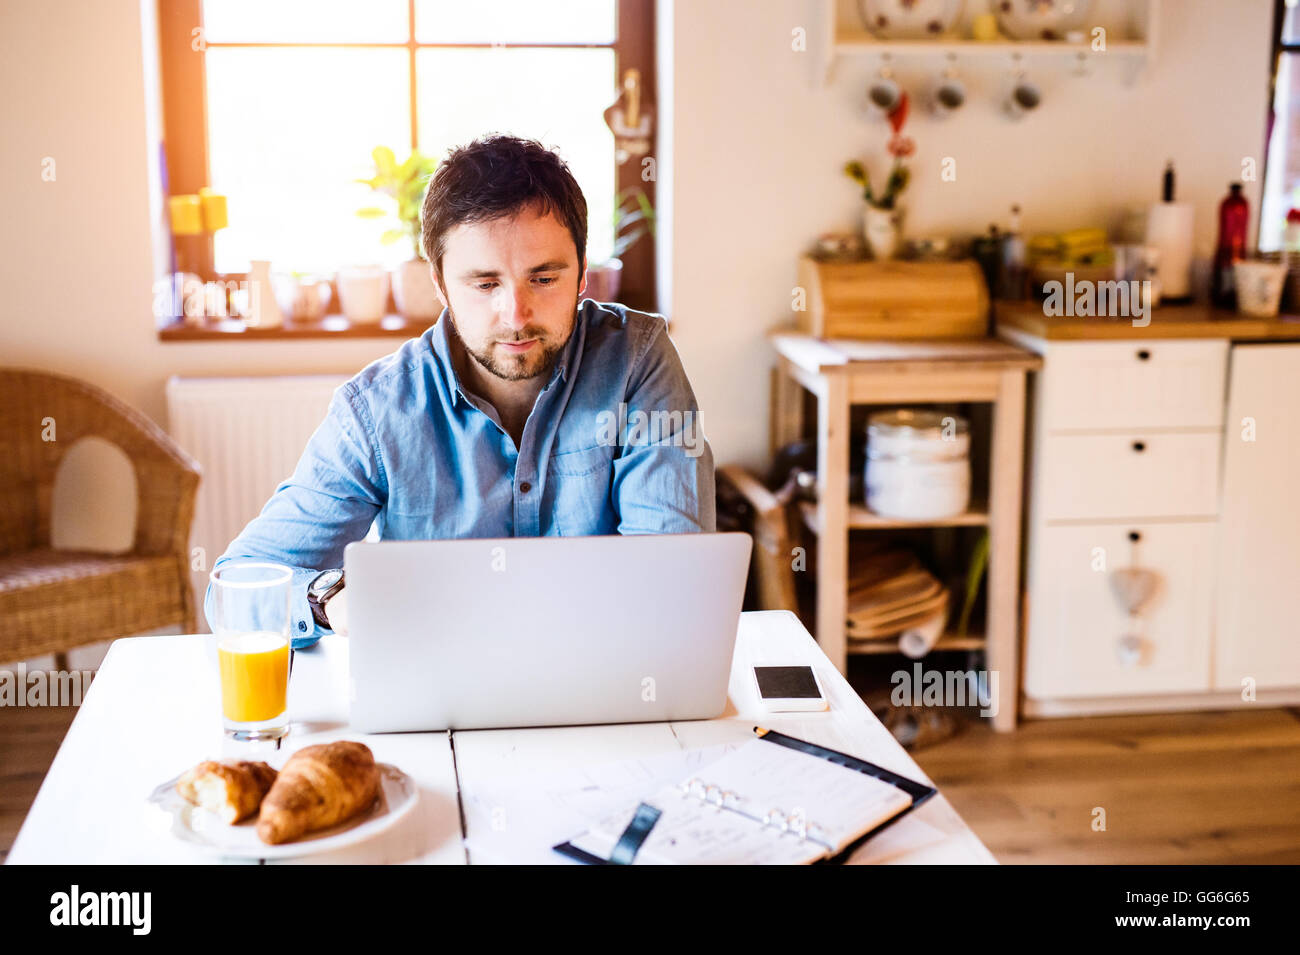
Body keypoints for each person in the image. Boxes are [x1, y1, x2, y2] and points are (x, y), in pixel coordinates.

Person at [203, 134, 715, 648]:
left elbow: (671, 580)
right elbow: (235, 590)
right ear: (441, 285)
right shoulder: (376, 411)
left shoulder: (637, 361)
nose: (515, 316)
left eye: (543, 278)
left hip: (610, 684)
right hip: (440, 716)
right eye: (484, 283)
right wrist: (328, 597)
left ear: (583, 273)